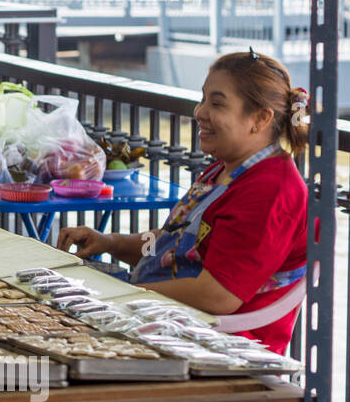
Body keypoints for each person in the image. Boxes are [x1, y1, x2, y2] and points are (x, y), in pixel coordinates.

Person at [58, 51, 309, 354]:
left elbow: (217, 296)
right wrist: (111, 242)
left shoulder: (271, 191)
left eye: (217, 103)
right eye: (203, 99)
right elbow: (169, 246)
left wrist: (120, 294)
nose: (199, 112)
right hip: (163, 318)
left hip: (216, 345)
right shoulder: (222, 170)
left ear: (260, 118)